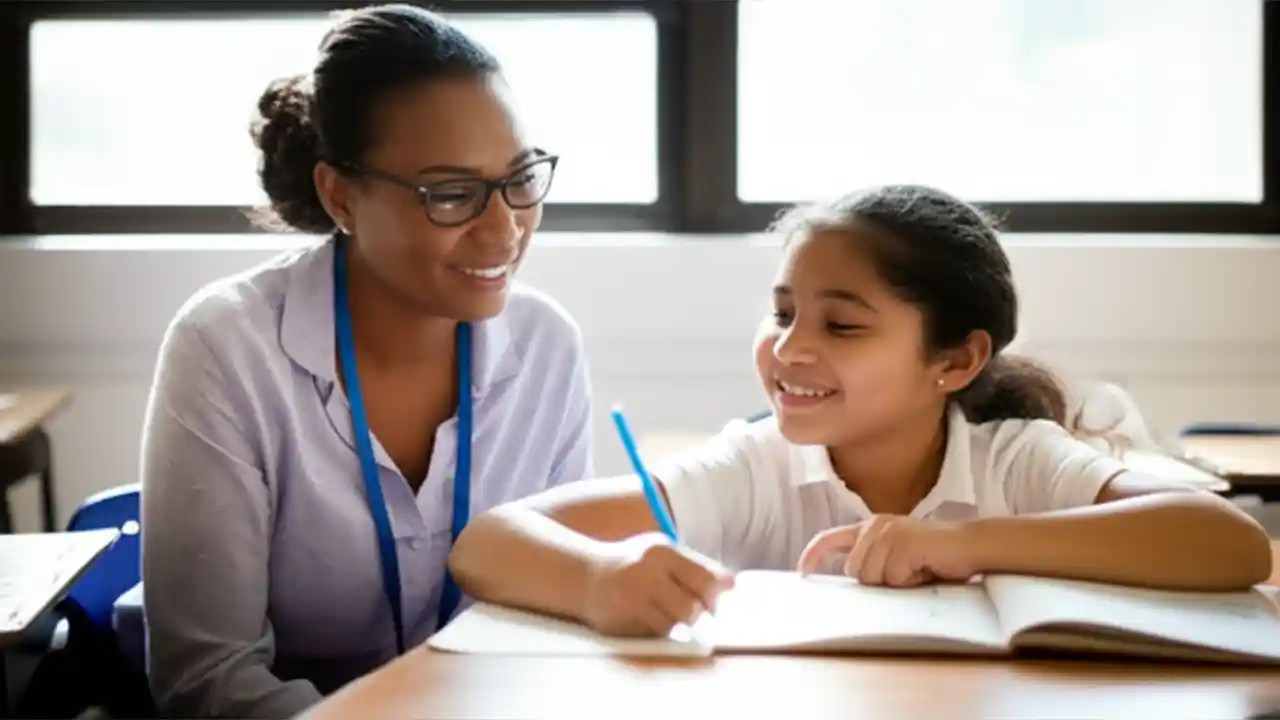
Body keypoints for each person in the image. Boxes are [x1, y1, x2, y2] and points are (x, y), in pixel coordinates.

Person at [448, 184, 1272, 638]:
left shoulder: (1016, 458)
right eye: (782, 314)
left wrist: (961, 545)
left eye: (841, 325)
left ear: (956, 360)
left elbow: (1229, 542)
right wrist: (599, 580)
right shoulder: (754, 464)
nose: (791, 348)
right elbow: (488, 543)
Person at [140, 5, 593, 717]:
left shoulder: (546, 348)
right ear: (340, 195)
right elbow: (207, 676)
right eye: (451, 194)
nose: (505, 228)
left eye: (520, 178)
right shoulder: (228, 347)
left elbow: (558, 622)